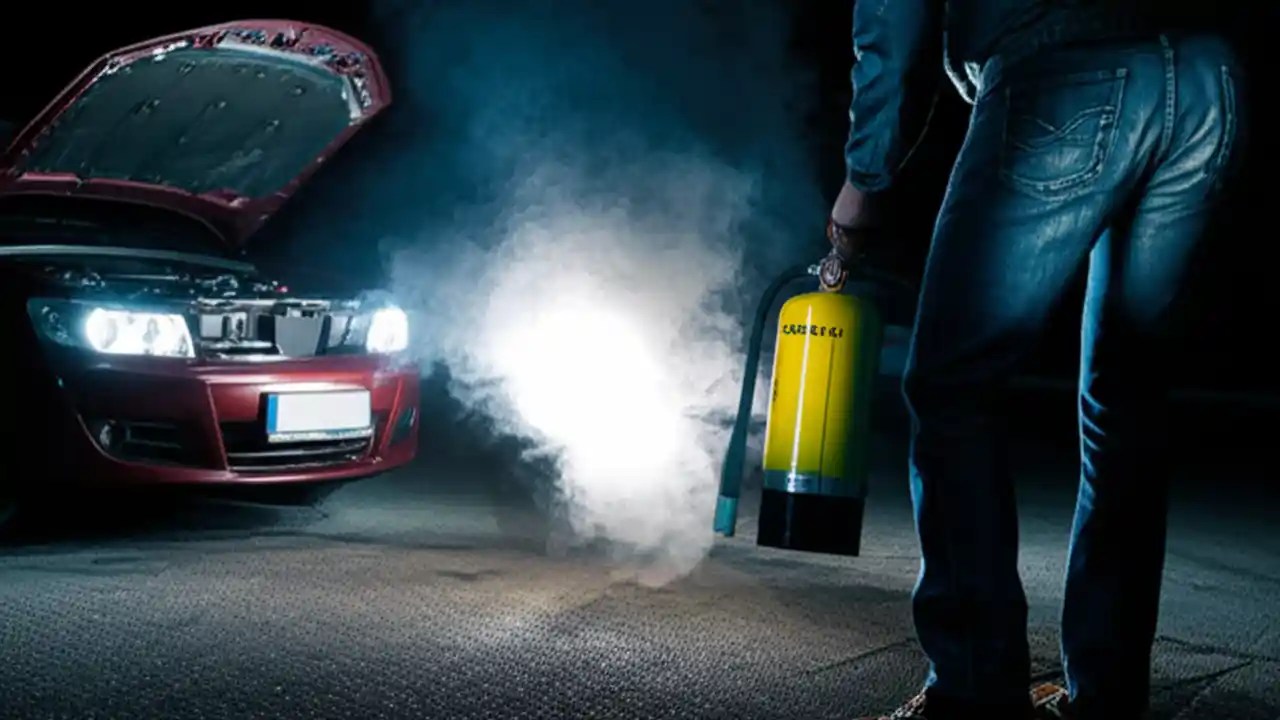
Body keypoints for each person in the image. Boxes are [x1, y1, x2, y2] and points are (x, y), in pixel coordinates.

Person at [827, 1, 1251, 718]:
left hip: (1068, 65)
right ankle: (1108, 697)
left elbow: (896, 21)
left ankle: (971, 693)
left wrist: (863, 183)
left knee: (951, 388)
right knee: (1124, 400)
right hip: (1210, 72)